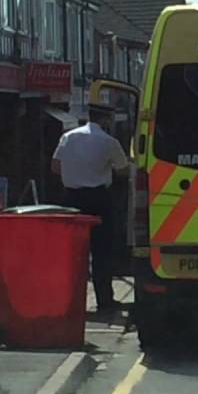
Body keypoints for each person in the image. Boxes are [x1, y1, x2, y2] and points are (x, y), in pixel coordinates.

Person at [51, 104, 130, 315]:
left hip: (72, 199)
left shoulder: (68, 137)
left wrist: (75, 175)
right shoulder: (109, 142)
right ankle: (104, 300)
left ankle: (70, 300)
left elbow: (55, 166)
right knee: (102, 251)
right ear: (106, 120)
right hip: (98, 200)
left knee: (73, 253)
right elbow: (123, 171)